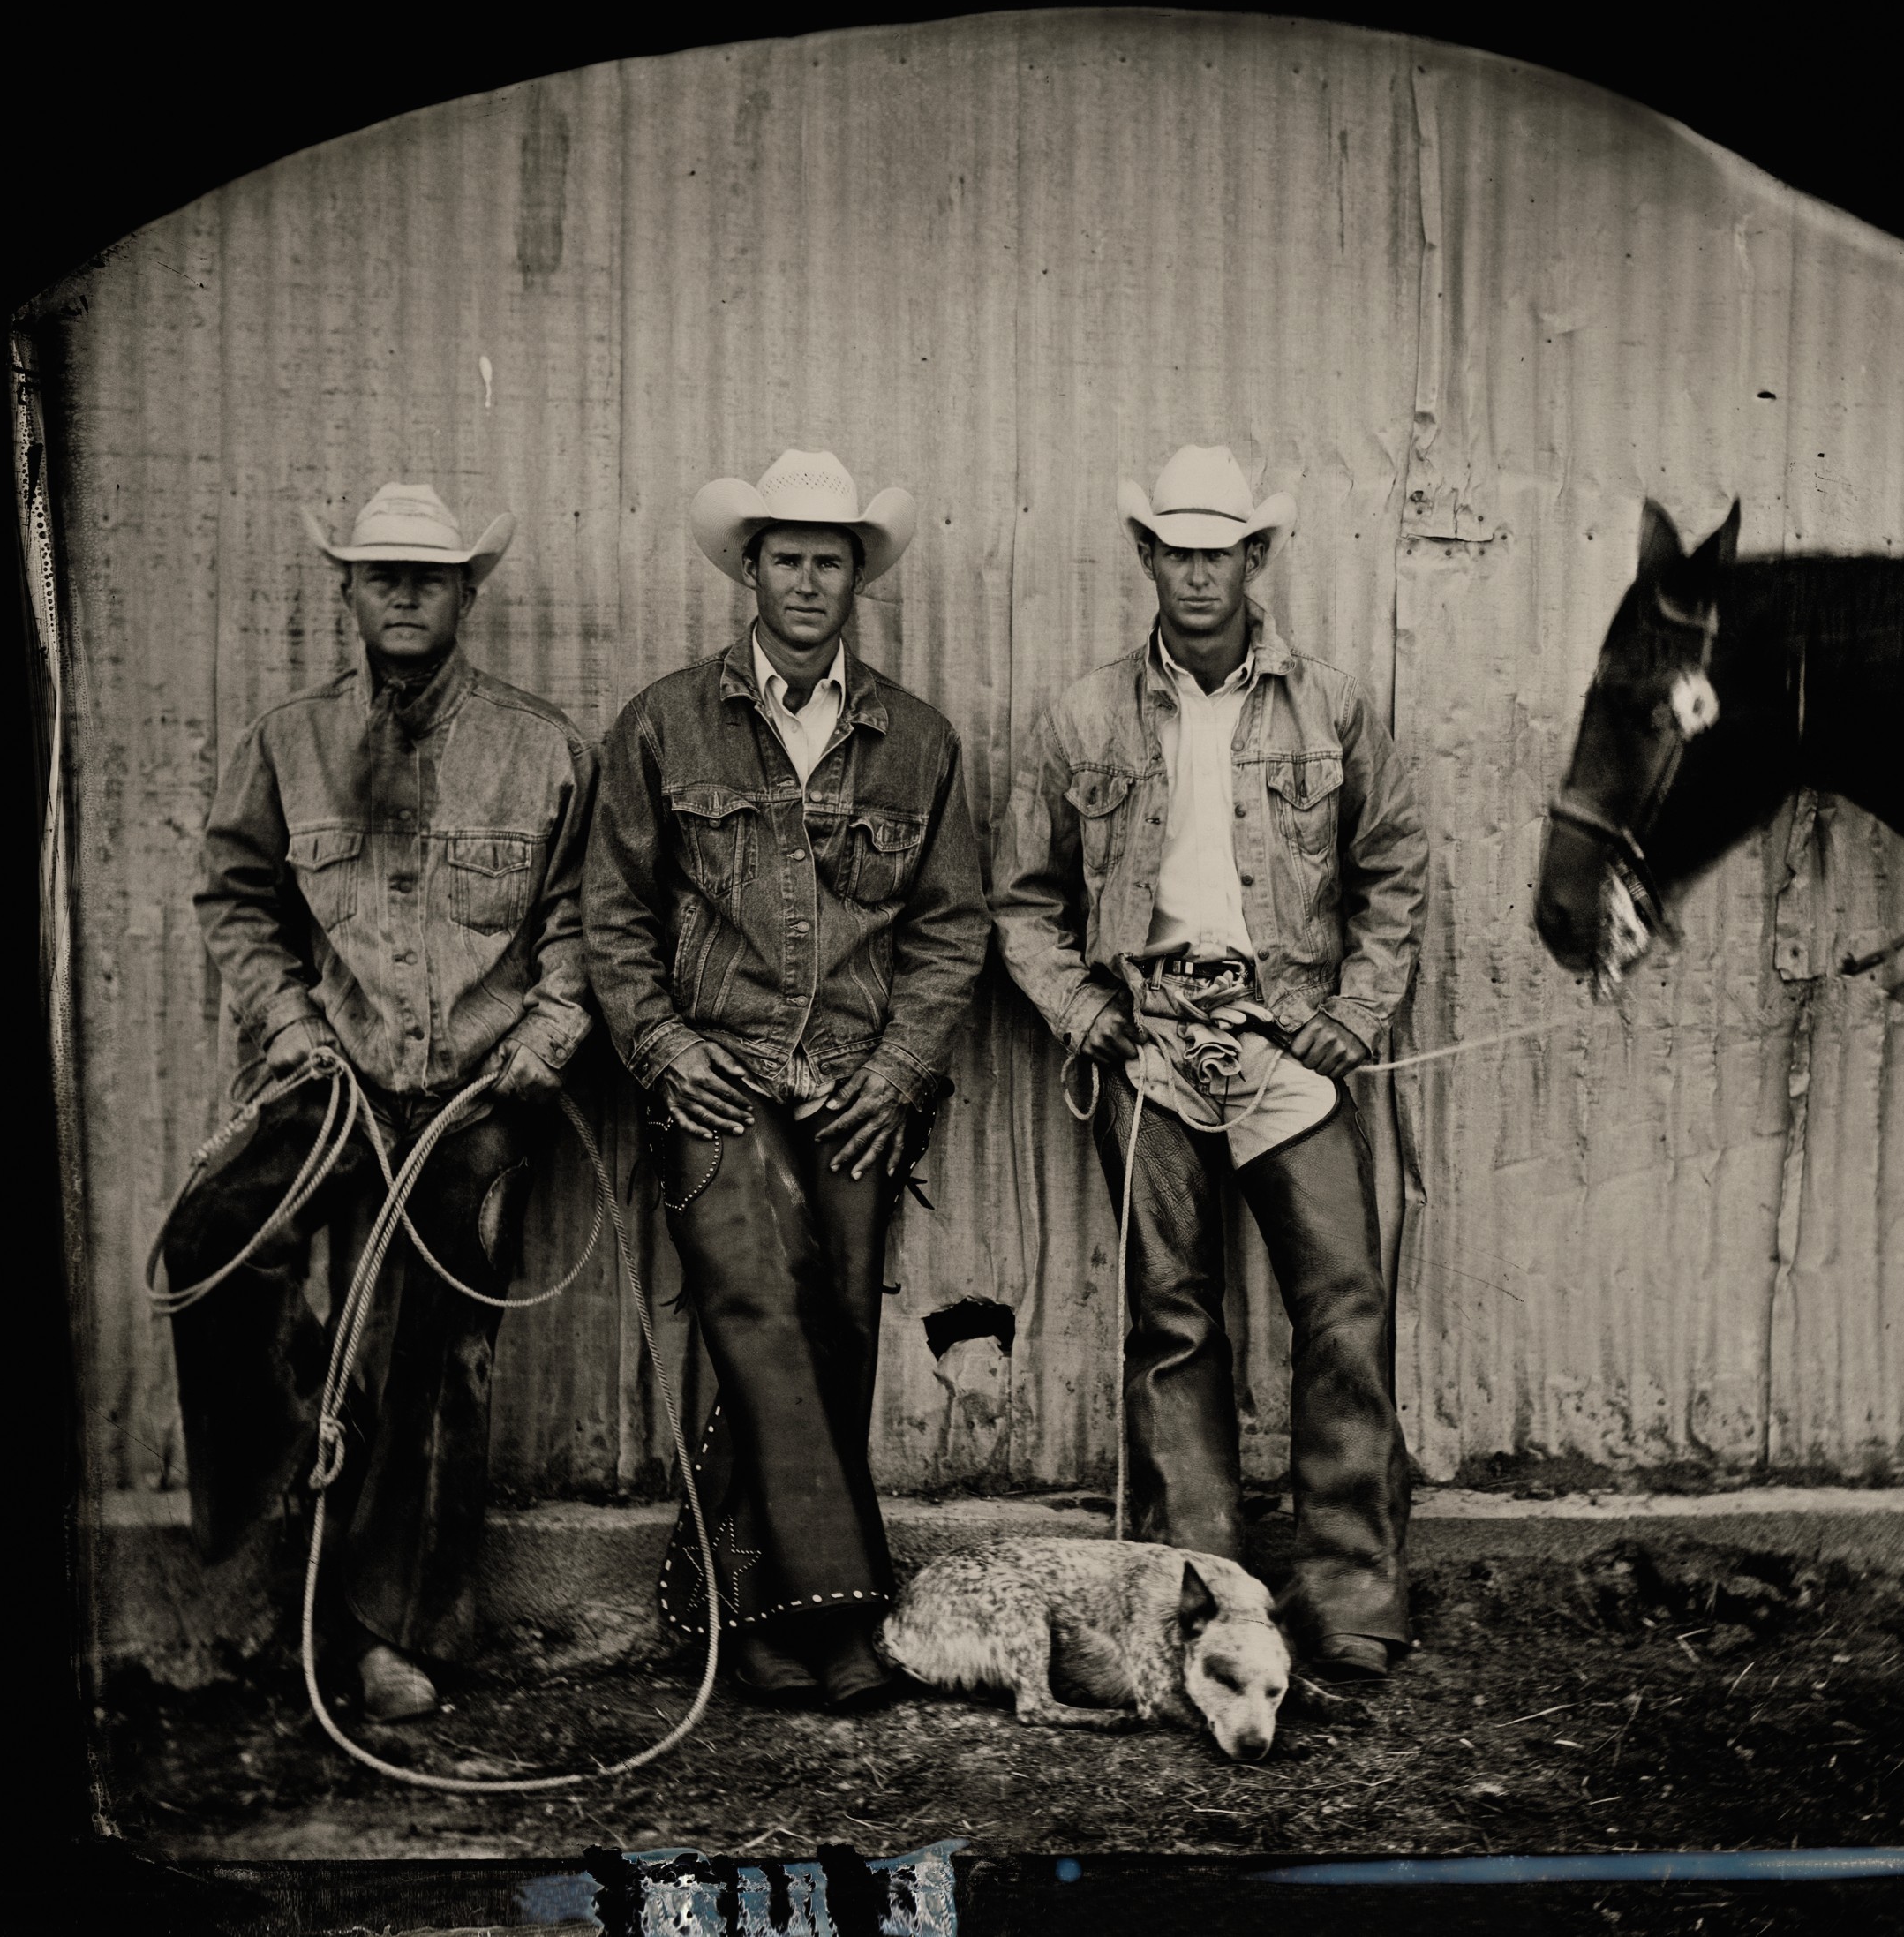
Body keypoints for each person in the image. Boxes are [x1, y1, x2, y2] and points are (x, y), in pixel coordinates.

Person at [157, 482, 597, 1722]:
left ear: (469, 592)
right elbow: (236, 901)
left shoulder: (545, 748)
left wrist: (553, 1027)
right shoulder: (288, 741)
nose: (404, 593)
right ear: (346, 590)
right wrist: (293, 1029)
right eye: (380, 573)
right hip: (331, 1075)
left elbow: (583, 926)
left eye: (429, 575)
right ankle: (287, 1543)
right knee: (209, 1241)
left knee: (420, 1299)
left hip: (476, 1090)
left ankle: (388, 1628)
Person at [992, 443, 1429, 1679]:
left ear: (1257, 557)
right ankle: (1209, 1593)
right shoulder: (1083, 715)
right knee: (1173, 1319)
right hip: (1151, 1045)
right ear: (1148, 556)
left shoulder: (1331, 705)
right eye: (1175, 548)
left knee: (1342, 1306)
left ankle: (1351, 1589)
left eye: (1219, 550)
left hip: (1286, 1037)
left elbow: (1394, 868)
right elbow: (1022, 901)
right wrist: (1084, 1012)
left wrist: (1357, 1010)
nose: (1197, 572)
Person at [585, 448, 989, 1707]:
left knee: (839, 1332)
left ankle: (746, 1598)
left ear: (858, 576)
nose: (809, 580)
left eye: (831, 560)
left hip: (857, 1085)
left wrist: (900, 1068)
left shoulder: (918, 741)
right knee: (757, 1309)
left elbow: (953, 925)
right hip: (716, 1076)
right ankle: (835, 1609)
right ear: (748, 569)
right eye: (788, 557)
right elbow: (611, 915)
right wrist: (665, 1047)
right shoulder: (663, 722)